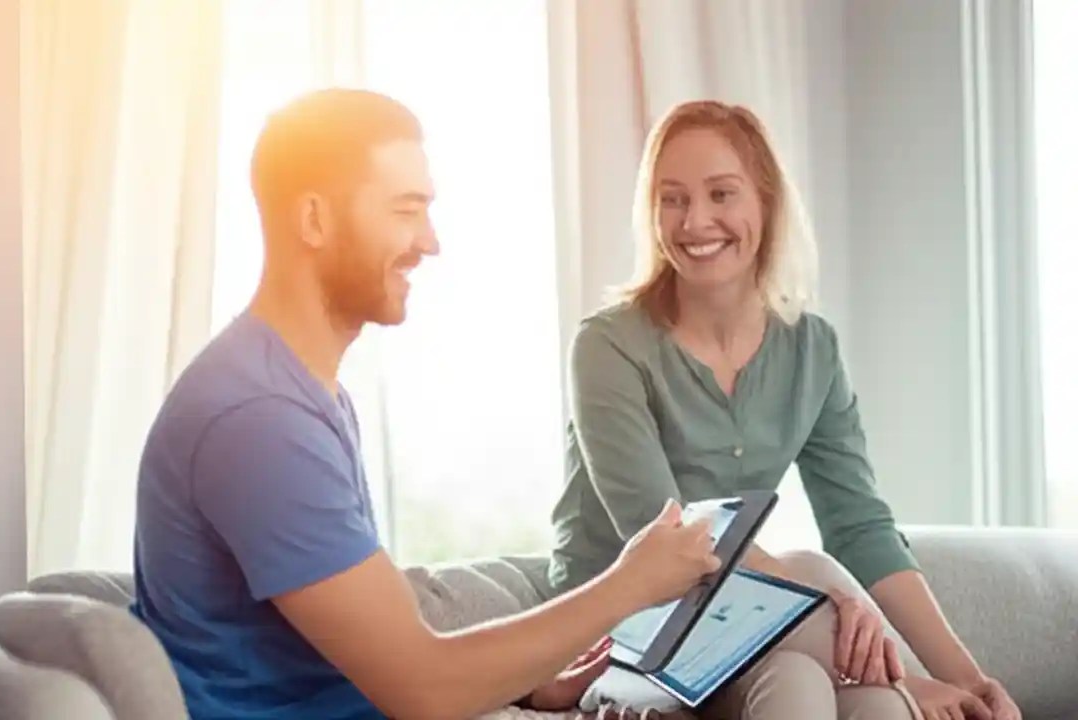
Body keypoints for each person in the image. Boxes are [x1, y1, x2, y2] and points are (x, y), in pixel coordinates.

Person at [128, 88, 722, 720]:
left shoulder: (299, 394)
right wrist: (630, 584)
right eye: (405, 211)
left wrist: (526, 686)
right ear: (313, 221)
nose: (429, 242)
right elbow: (423, 689)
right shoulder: (259, 421)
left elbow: (389, 651)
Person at [546, 100, 1022, 720]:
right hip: (627, 624)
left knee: (876, 705)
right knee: (834, 625)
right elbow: (672, 538)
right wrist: (903, 668)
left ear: (765, 204)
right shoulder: (608, 348)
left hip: (743, 616)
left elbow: (860, 527)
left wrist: (970, 679)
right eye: (673, 199)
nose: (696, 221)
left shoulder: (810, 348)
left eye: (721, 194)